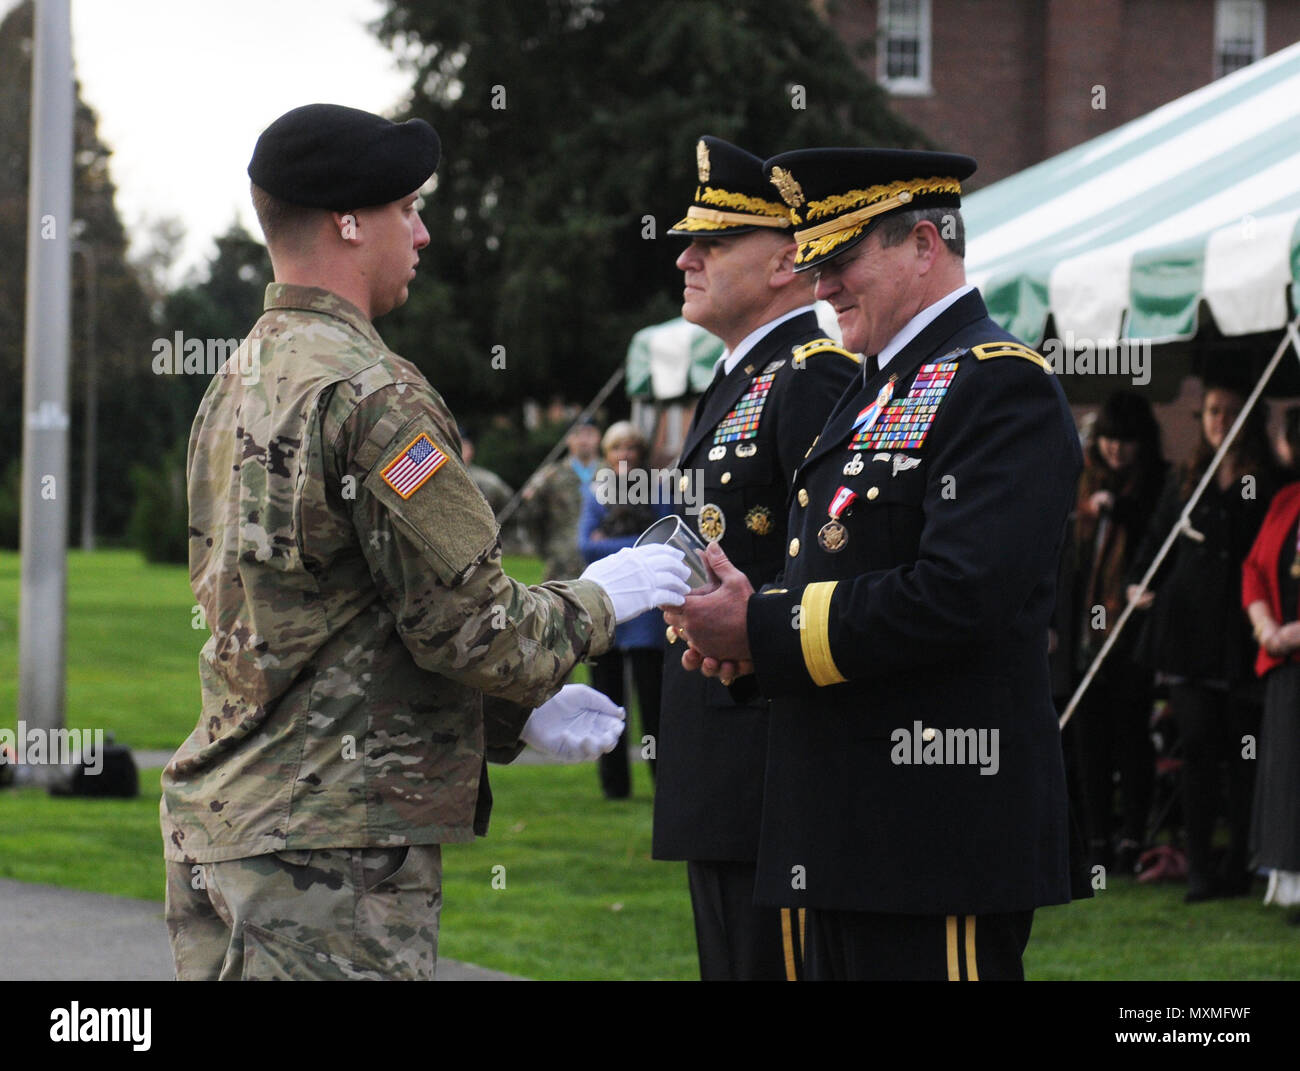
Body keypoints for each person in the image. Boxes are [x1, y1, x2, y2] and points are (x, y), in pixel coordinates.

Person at [160, 103, 690, 981]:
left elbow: (326, 621)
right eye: (408, 206)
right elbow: (471, 625)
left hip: (232, 825)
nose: (425, 232)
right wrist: (609, 595)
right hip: (327, 855)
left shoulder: (239, 378)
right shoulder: (371, 395)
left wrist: (510, 717)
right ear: (348, 220)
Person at [665, 147, 1083, 981]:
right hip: (840, 825)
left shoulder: (999, 383)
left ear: (924, 245)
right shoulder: (877, 386)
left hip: (937, 832)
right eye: (814, 266)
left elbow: (958, 595)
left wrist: (763, 624)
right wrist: (749, 637)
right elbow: (830, 571)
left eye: (843, 261)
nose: (822, 289)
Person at [650, 136, 860, 981]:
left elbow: (834, 560)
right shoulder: (741, 374)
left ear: (786, 262)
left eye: (715, 241)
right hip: (723, 754)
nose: (686, 256)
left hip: (769, 753)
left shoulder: (809, 374)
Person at [1127, 377, 1280, 900]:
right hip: (1188, 633)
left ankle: (1239, 862)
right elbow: (1157, 539)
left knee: (1243, 752)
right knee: (1196, 748)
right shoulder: (1185, 478)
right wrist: (1137, 582)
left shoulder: (1265, 480)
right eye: (1212, 411)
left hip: (1239, 632)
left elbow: (1254, 545)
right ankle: (1196, 868)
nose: (1219, 420)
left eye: (1230, 411)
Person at [1070, 391, 1167, 875]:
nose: (1116, 449)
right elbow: (1072, 560)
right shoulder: (1084, 485)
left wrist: (1119, 510)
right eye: (1109, 438)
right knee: (1090, 739)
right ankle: (1096, 840)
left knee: (1131, 734)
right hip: (1087, 634)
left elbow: (1157, 535)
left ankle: (1132, 836)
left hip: (1130, 632)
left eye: (1126, 440)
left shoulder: (1155, 486)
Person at [579, 422, 670, 798]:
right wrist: (638, 546)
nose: (625, 455)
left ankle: (662, 780)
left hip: (648, 615)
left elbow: (666, 537)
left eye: (632, 448)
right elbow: (585, 545)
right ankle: (614, 786)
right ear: (607, 454)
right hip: (607, 610)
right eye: (617, 448)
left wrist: (613, 543)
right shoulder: (597, 494)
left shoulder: (659, 490)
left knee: (654, 703)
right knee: (606, 702)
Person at [1243, 422, 1300, 924]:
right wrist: (1266, 624)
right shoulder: (1286, 499)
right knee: (1288, 775)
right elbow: (1255, 568)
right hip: (1285, 664)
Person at [520, 419, 601, 581]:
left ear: (599, 437)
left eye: (589, 434)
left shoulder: (611, 473)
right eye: (578, 434)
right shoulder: (550, 476)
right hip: (561, 566)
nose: (584, 440)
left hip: (601, 560)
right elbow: (530, 516)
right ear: (568, 439)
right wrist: (547, 550)